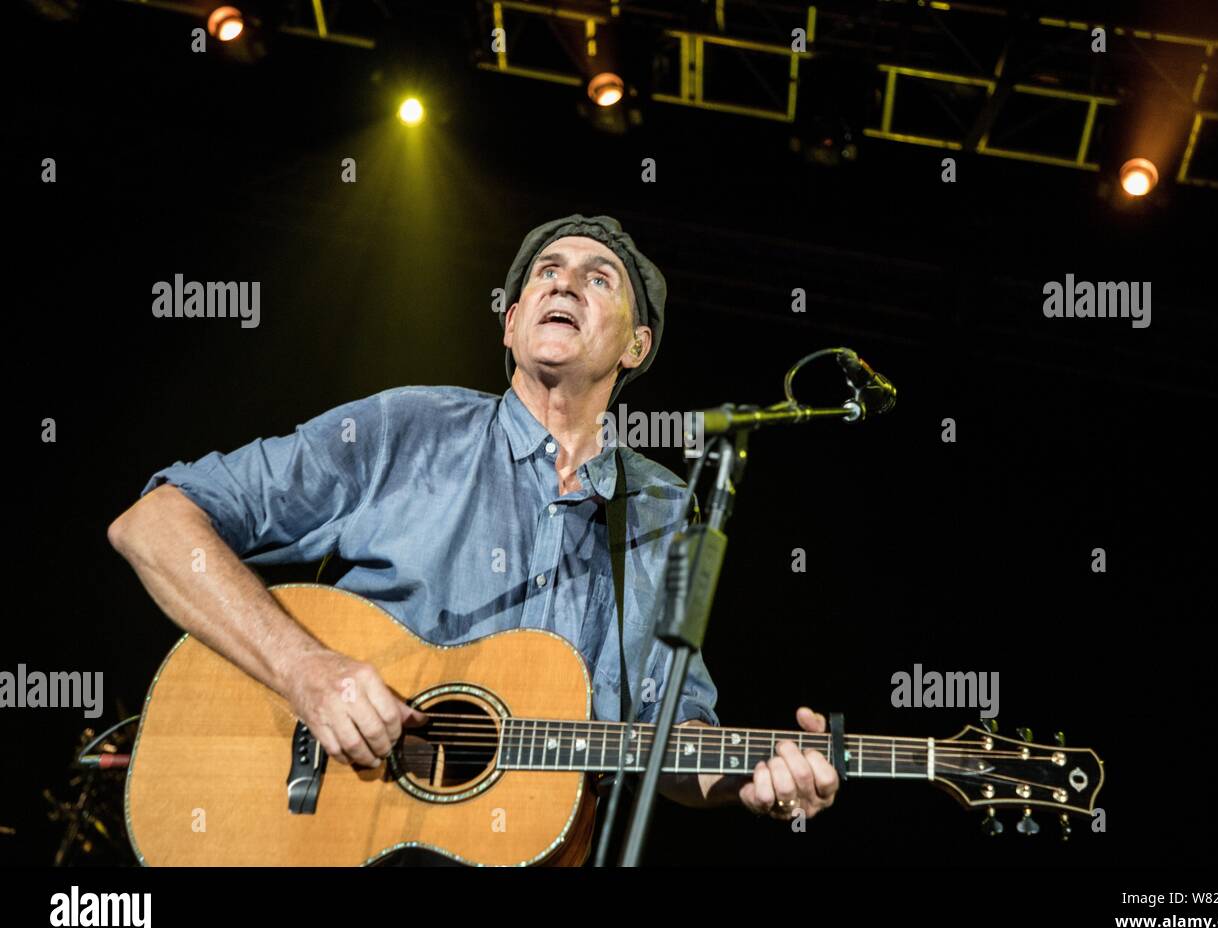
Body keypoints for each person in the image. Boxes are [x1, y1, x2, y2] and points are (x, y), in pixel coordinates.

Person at [107, 214, 839, 864]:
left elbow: (670, 735)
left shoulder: (667, 509)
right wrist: (305, 669)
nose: (565, 284)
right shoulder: (406, 430)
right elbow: (155, 524)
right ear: (511, 321)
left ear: (637, 345)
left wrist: (755, 778)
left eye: (598, 277)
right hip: (313, 834)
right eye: (546, 273)